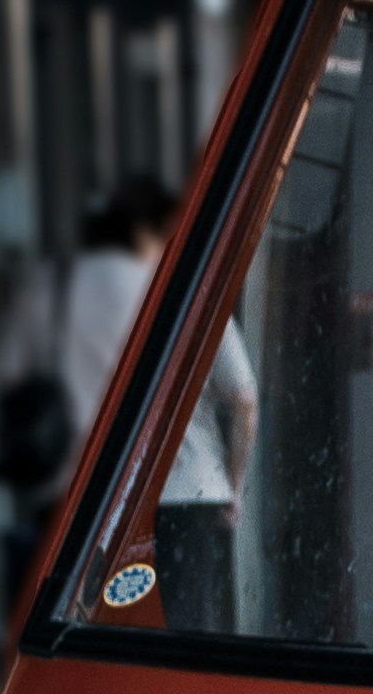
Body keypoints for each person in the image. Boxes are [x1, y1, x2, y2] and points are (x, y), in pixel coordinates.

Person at [60, 173, 254, 631]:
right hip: (193, 494)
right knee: (189, 635)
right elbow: (244, 398)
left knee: (118, 632)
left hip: (106, 501)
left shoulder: (77, 295)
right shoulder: (189, 297)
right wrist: (236, 482)